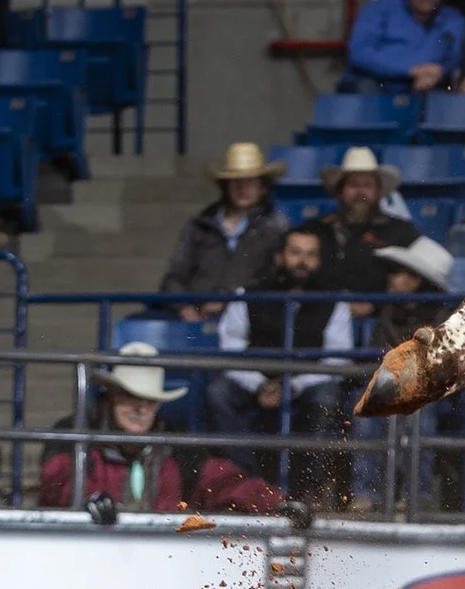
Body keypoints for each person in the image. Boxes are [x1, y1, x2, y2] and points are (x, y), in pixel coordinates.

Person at [42, 344, 285, 518]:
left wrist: (277, 504)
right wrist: (87, 500)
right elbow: (57, 482)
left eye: (150, 400)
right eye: (131, 397)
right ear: (111, 396)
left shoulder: (177, 447)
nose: (141, 408)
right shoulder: (75, 434)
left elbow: (224, 483)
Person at [206, 226, 354, 500]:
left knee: (327, 398)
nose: (303, 261)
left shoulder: (335, 300)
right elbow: (231, 349)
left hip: (307, 384)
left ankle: (306, 491)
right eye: (295, 252)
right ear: (280, 257)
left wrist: (292, 385)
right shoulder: (248, 294)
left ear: (319, 261)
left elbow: (337, 360)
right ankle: (247, 485)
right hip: (256, 380)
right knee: (219, 392)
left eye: (310, 255)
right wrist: (260, 384)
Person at [349, 235, 456, 508]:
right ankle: (367, 493)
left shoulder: (442, 318)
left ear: (416, 280)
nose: (393, 278)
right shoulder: (387, 312)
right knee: (366, 415)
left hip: (428, 391)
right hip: (388, 384)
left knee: (420, 416)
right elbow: (373, 356)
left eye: (399, 272)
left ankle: (417, 495)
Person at [158, 143, 288, 321]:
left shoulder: (276, 226)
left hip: (251, 318)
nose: (242, 188)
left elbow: (275, 278)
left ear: (263, 187)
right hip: (195, 316)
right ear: (225, 186)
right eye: (235, 181)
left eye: (250, 181)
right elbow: (175, 276)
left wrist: (230, 301)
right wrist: (185, 307)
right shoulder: (199, 225)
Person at [342, 0, 465, 93]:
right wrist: (411, 70)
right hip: (376, 83)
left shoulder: (453, 19)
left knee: (444, 97)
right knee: (366, 88)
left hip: (427, 85)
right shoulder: (378, 10)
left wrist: (439, 72)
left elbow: (454, 58)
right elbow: (359, 52)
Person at [306, 146, 420, 302]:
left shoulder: (402, 231)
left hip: (383, 312)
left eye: (367, 185)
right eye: (353, 185)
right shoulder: (316, 229)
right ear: (339, 191)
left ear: (379, 191)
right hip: (324, 310)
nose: (360, 192)